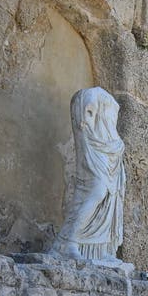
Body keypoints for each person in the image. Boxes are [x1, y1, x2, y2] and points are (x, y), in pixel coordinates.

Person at [50, 87, 126, 262]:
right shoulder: (92, 94)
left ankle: (100, 250)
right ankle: (68, 242)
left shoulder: (106, 98)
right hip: (96, 145)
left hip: (112, 152)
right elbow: (85, 116)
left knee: (109, 200)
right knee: (97, 190)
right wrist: (87, 127)